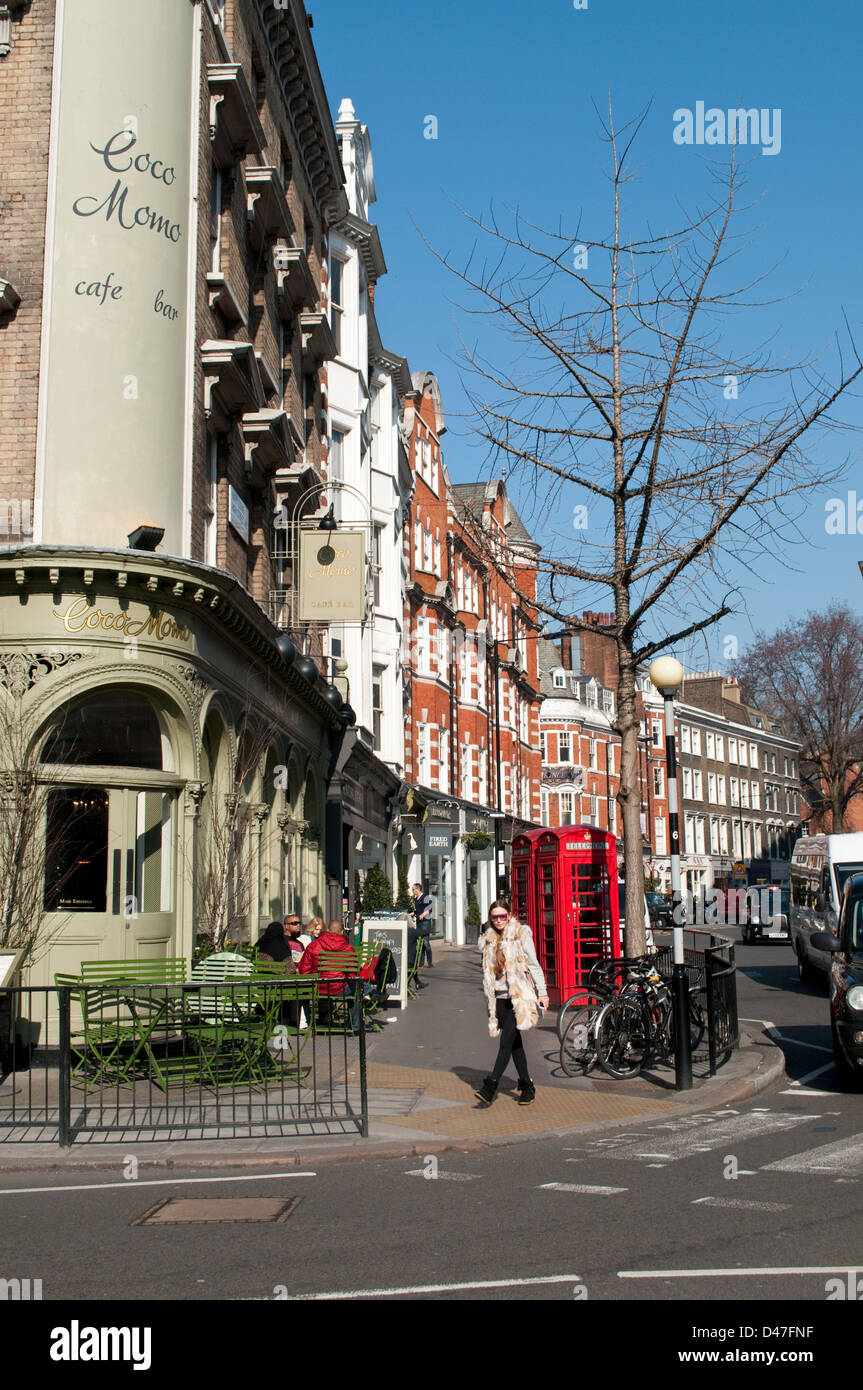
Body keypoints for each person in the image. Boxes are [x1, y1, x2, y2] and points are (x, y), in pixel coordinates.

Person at [474, 898, 549, 1107]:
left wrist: (542, 993)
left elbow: (534, 965)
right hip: (498, 998)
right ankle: (526, 1085)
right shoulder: (488, 939)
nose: (499, 920)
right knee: (514, 1044)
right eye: (494, 917)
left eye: (502, 916)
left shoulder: (520, 934)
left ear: (509, 915)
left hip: (518, 997)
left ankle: (491, 1086)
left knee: (506, 1042)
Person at [298, 922, 363, 1031]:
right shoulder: (348, 949)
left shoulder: (314, 945)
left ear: (327, 929)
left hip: (318, 987)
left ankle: (316, 1021)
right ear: (342, 932)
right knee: (357, 989)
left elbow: (304, 970)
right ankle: (355, 1026)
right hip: (339, 988)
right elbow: (352, 975)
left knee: (354, 987)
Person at [411, 882, 434, 968]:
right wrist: (413, 913)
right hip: (419, 922)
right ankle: (421, 962)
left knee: (425, 942)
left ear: (418, 889)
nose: (412, 891)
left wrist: (423, 915)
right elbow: (417, 910)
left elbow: (430, 908)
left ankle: (429, 962)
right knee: (420, 943)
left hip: (425, 922)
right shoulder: (416, 899)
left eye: (413, 889)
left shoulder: (425, 897)